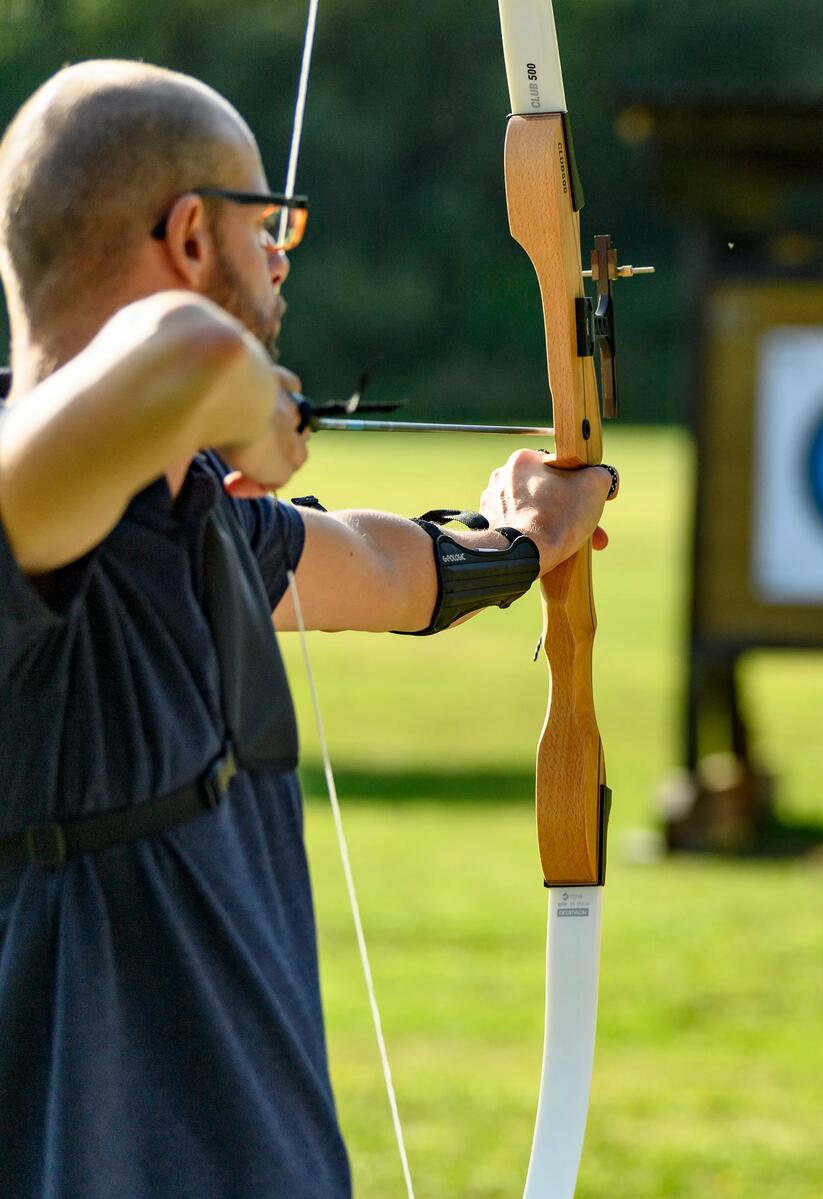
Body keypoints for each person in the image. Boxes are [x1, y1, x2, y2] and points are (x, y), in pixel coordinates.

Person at [0, 61, 615, 1197]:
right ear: (190, 235)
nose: (281, 251)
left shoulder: (185, 512)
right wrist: (253, 419)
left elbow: (386, 567)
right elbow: (183, 360)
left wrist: (525, 537)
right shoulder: (27, 503)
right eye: (262, 220)